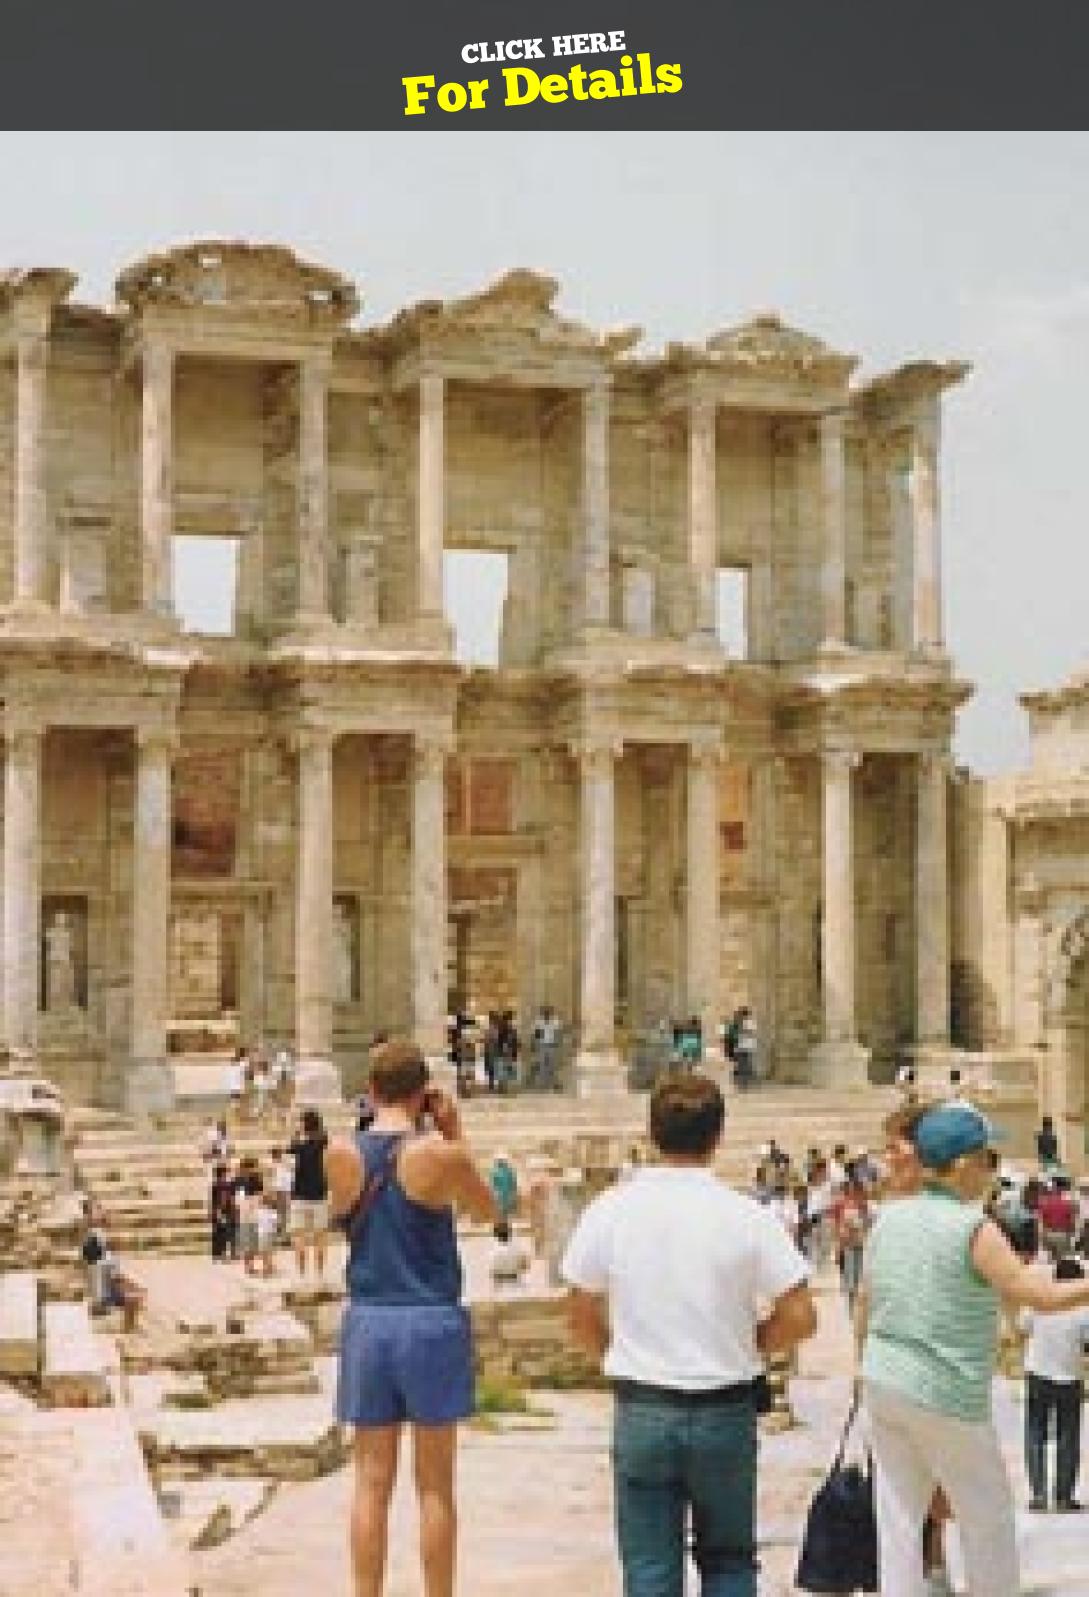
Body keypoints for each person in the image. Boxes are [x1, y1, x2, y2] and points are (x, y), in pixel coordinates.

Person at [561, 1072, 816, 1597]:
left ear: (651, 1135)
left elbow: (578, 1309)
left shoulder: (613, 1210)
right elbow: (802, 1315)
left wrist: (614, 1353)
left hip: (644, 1406)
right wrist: (755, 1342)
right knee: (729, 1563)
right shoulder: (746, 1216)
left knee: (650, 1570)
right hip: (724, 1408)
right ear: (718, 1137)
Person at [857, 1101, 1089, 1597]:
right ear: (963, 1164)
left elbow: (865, 1305)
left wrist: (864, 1371)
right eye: (988, 1157)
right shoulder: (972, 1228)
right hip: (946, 1392)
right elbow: (1037, 1294)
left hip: (885, 1382)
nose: (993, 1168)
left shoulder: (889, 1220)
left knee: (898, 1516)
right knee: (987, 1515)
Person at [324, 1038, 499, 1597]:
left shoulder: (340, 1153)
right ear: (426, 1092)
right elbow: (490, 1210)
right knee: (435, 1488)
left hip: (370, 1321)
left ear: (371, 1090)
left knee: (370, 1486)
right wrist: (455, 1134)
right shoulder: (437, 1155)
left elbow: (340, 1216)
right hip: (428, 1321)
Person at [1021, 1254, 1089, 1512]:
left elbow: (1022, 1325)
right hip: (1069, 1378)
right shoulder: (1083, 1310)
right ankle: (1063, 1497)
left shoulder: (1040, 1302)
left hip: (1037, 1373)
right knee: (1068, 1436)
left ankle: (1038, 1495)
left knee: (1035, 1433)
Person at [289, 1108, 330, 1278]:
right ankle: (319, 1274)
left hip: (300, 1195)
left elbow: (291, 1150)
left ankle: (301, 1275)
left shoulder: (299, 1146)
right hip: (320, 1194)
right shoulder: (324, 1143)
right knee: (320, 1237)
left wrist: (296, 1133)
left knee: (299, 1237)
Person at [831, 1163, 870, 1309]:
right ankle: (851, 1308)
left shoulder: (865, 1206)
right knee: (850, 1280)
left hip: (861, 1245)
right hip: (848, 1245)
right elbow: (838, 1227)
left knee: (859, 1279)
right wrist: (838, 1246)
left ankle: (855, 1307)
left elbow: (868, 1225)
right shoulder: (843, 1205)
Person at [1037, 1173, 1077, 1259]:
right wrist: (1071, 1234)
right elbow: (1072, 1221)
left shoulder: (1044, 1201)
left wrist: (1042, 1236)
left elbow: (1041, 1221)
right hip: (1063, 1234)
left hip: (1048, 1234)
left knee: (1050, 1260)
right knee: (1063, 1260)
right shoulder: (1068, 1201)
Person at [489, 1218, 529, 1289]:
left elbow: (492, 1273)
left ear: (496, 1235)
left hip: (500, 1285)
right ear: (510, 1233)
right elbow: (525, 1267)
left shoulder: (493, 1252)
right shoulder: (518, 1248)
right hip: (516, 1283)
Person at [210, 1161, 238, 1260]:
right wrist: (217, 1211)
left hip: (227, 1210)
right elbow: (216, 1200)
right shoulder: (219, 1185)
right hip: (223, 1210)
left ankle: (225, 1252)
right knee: (221, 1232)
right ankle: (219, 1253)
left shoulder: (227, 1185)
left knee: (227, 1231)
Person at [732, 1006, 757, 1087]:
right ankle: (742, 1080)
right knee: (742, 1063)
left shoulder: (745, 1022)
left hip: (743, 1045)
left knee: (742, 1063)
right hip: (744, 1045)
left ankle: (743, 1081)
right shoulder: (740, 1022)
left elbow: (749, 1032)